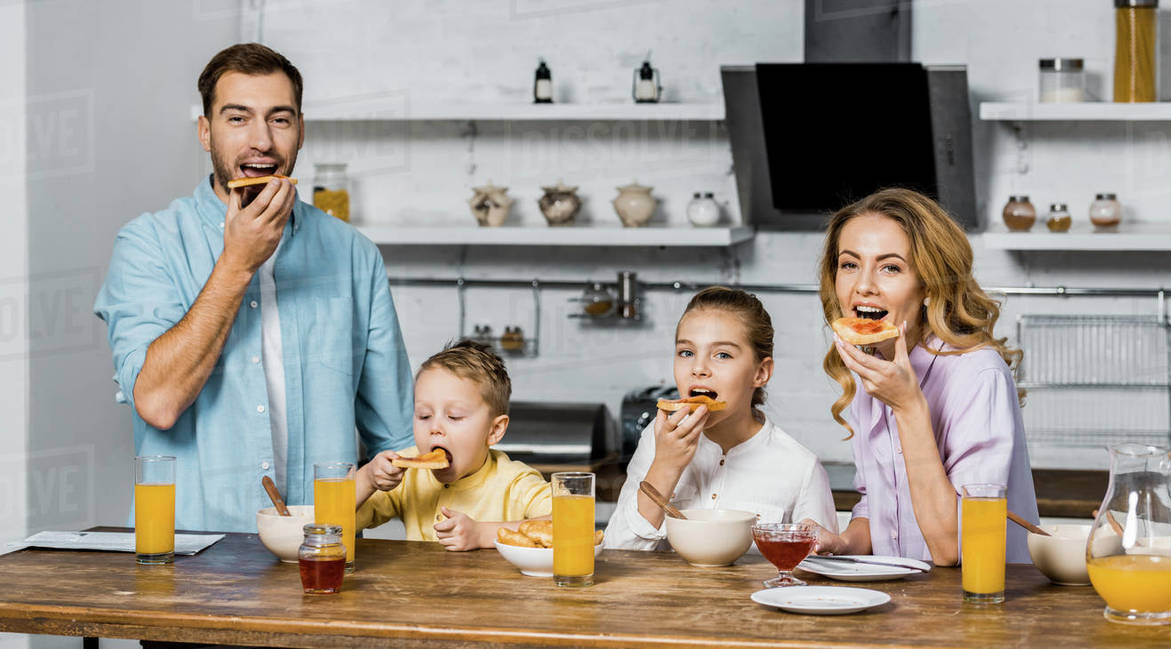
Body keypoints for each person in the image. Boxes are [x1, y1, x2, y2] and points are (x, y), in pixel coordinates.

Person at [95, 43, 414, 532]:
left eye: (279, 119)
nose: (261, 141)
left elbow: (397, 442)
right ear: (206, 132)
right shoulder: (148, 244)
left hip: (318, 554)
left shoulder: (354, 255)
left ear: (301, 131)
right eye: (238, 118)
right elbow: (157, 402)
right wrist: (237, 263)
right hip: (185, 562)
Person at [805, 187, 1038, 565]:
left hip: (981, 610)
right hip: (904, 610)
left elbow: (954, 549)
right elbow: (880, 504)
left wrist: (909, 406)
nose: (863, 285)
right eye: (849, 264)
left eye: (890, 267)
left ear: (929, 284)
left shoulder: (979, 374)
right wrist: (844, 543)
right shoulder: (877, 363)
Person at [605, 287, 837, 550]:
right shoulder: (656, 440)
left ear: (760, 373)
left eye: (722, 355)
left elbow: (817, 576)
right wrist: (665, 467)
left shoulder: (801, 469)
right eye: (686, 352)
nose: (699, 368)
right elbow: (617, 556)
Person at [355, 340, 551, 550]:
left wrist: (482, 534)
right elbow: (326, 522)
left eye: (454, 416)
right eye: (424, 415)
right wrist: (367, 478)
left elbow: (573, 523)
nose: (435, 427)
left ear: (494, 431)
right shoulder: (408, 477)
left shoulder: (515, 482)